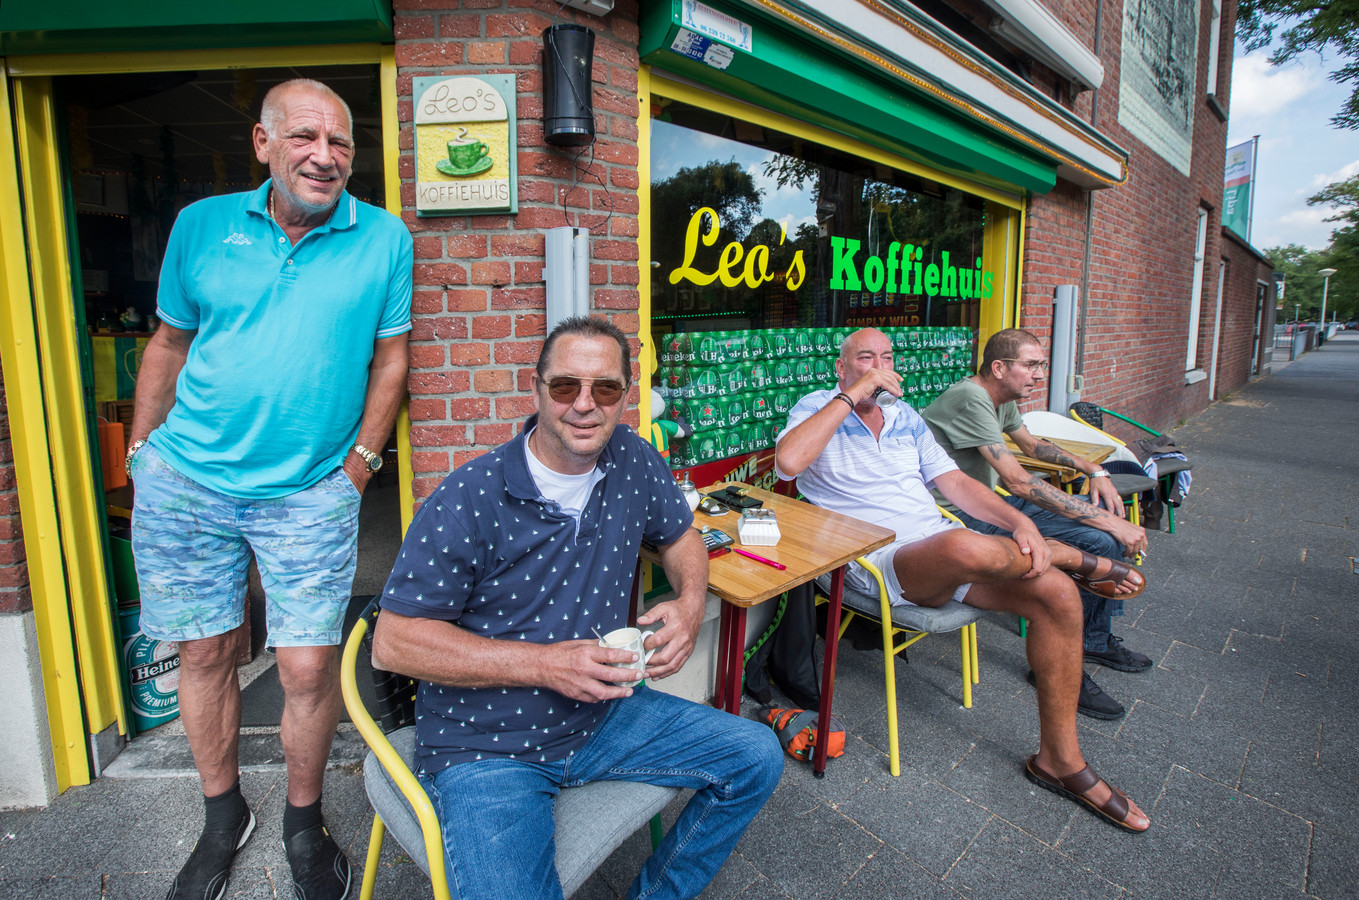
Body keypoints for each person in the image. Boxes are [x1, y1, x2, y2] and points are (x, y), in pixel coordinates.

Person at [371, 317, 784, 899]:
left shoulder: (632, 459)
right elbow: (393, 642)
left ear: (626, 395)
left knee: (757, 757)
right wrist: (545, 664)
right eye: (566, 386)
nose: (585, 405)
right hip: (488, 744)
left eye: (605, 388)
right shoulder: (469, 496)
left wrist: (691, 603)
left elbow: (681, 536)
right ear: (536, 389)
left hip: (603, 715)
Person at [127, 78, 412, 900]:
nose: (324, 156)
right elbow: (169, 342)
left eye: (340, 142)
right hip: (188, 481)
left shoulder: (383, 238)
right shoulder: (200, 225)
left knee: (307, 669)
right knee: (205, 652)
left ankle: (302, 820)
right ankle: (223, 816)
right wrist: (142, 452)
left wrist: (360, 467)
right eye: (304, 138)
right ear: (263, 143)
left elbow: (391, 358)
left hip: (309, 493)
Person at [775, 328, 1149, 833]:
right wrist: (851, 396)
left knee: (1059, 594)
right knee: (964, 544)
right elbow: (788, 463)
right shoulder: (817, 406)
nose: (879, 366)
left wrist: (1019, 522)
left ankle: (1060, 761)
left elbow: (954, 483)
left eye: (886, 356)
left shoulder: (906, 417)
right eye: (865, 358)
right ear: (841, 368)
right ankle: (1066, 554)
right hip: (875, 562)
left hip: (942, 547)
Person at [922, 328, 1151, 720]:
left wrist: (1093, 468)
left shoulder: (1000, 399)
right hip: (957, 516)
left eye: (1042, 365)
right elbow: (1017, 481)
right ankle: (1058, 667)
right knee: (1099, 537)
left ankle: (1093, 640)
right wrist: (1111, 523)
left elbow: (1031, 446)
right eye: (1031, 365)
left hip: (990, 504)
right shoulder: (971, 398)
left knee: (1104, 529)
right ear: (998, 367)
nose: (1040, 374)